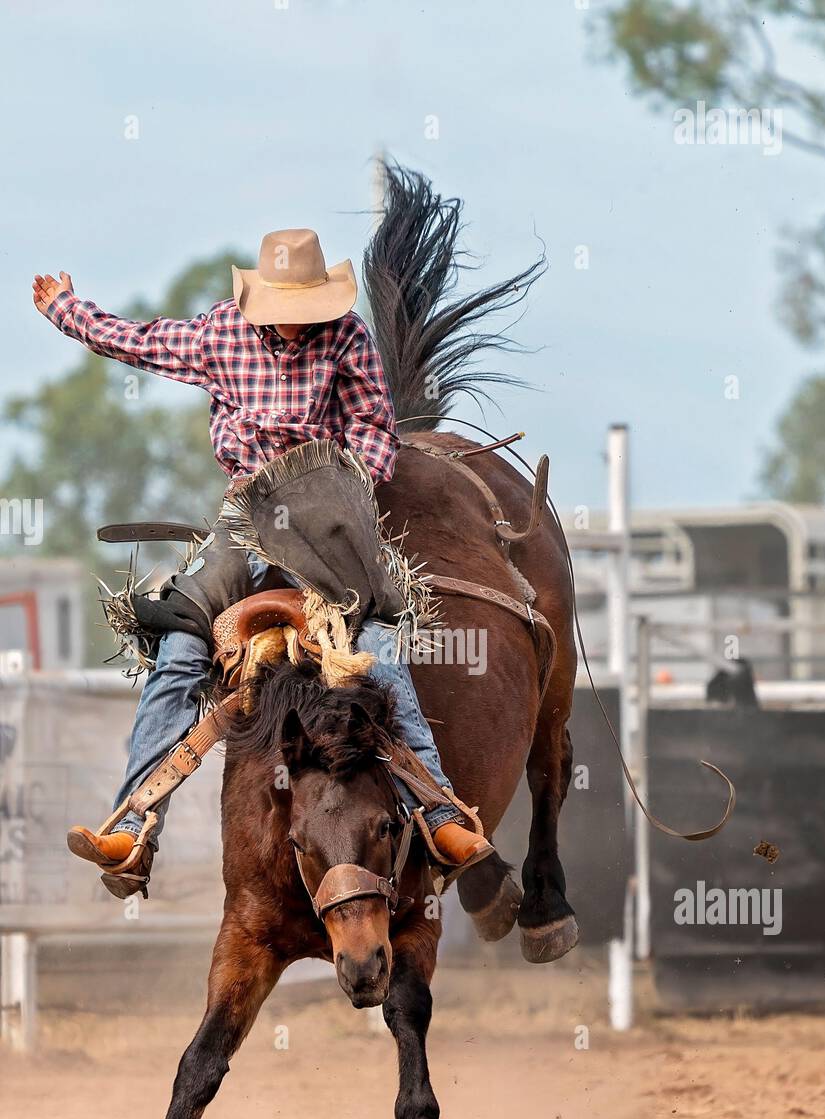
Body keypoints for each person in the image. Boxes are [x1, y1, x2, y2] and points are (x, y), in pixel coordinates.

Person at [33, 227, 491, 897]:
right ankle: (133, 826)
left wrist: (348, 484)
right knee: (182, 645)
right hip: (247, 514)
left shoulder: (347, 338)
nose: (299, 325)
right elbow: (141, 341)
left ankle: (440, 811)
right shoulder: (220, 333)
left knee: (377, 650)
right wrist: (67, 311)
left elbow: (370, 427)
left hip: (330, 512)